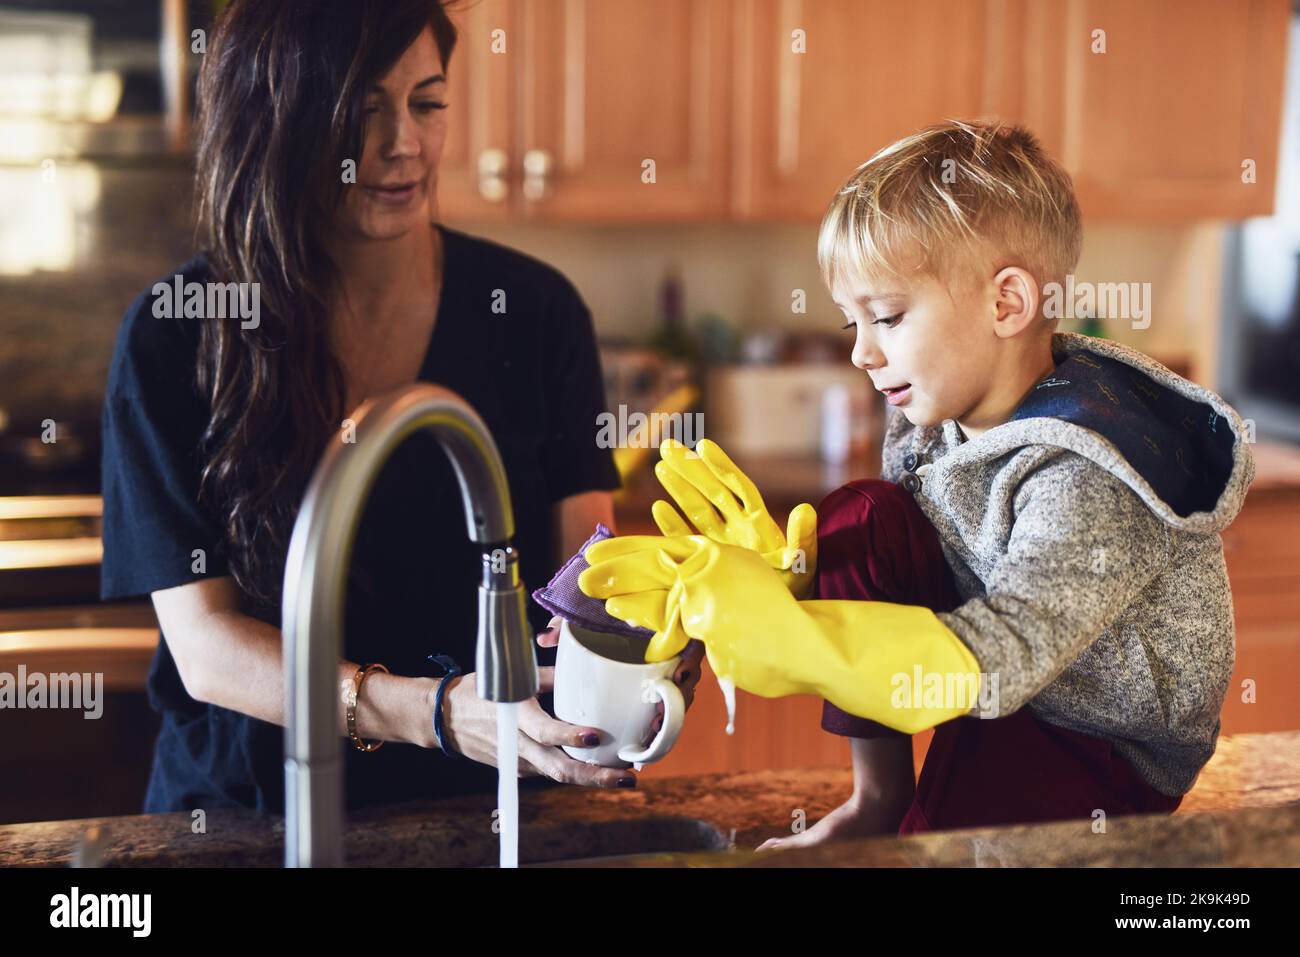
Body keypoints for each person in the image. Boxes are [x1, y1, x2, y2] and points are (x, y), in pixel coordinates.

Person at [100, 0, 701, 815]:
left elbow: (582, 581)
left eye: (427, 102)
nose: (402, 144)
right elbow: (208, 652)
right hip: (244, 813)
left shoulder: (532, 311)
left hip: (476, 810)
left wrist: (644, 644)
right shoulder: (179, 334)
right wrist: (441, 713)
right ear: (275, 118)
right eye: (359, 109)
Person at [581, 120, 1254, 843]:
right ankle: (876, 800)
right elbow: (895, 560)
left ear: (1007, 304)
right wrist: (797, 579)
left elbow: (1003, 658)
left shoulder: (1085, 474)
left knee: (937, 849)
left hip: (1097, 737)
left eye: (889, 317)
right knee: (865, 514)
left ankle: (913, 831)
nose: (865, 354)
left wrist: (805, 640)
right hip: (993, 657)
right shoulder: (931, 415)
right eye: (853, 325)